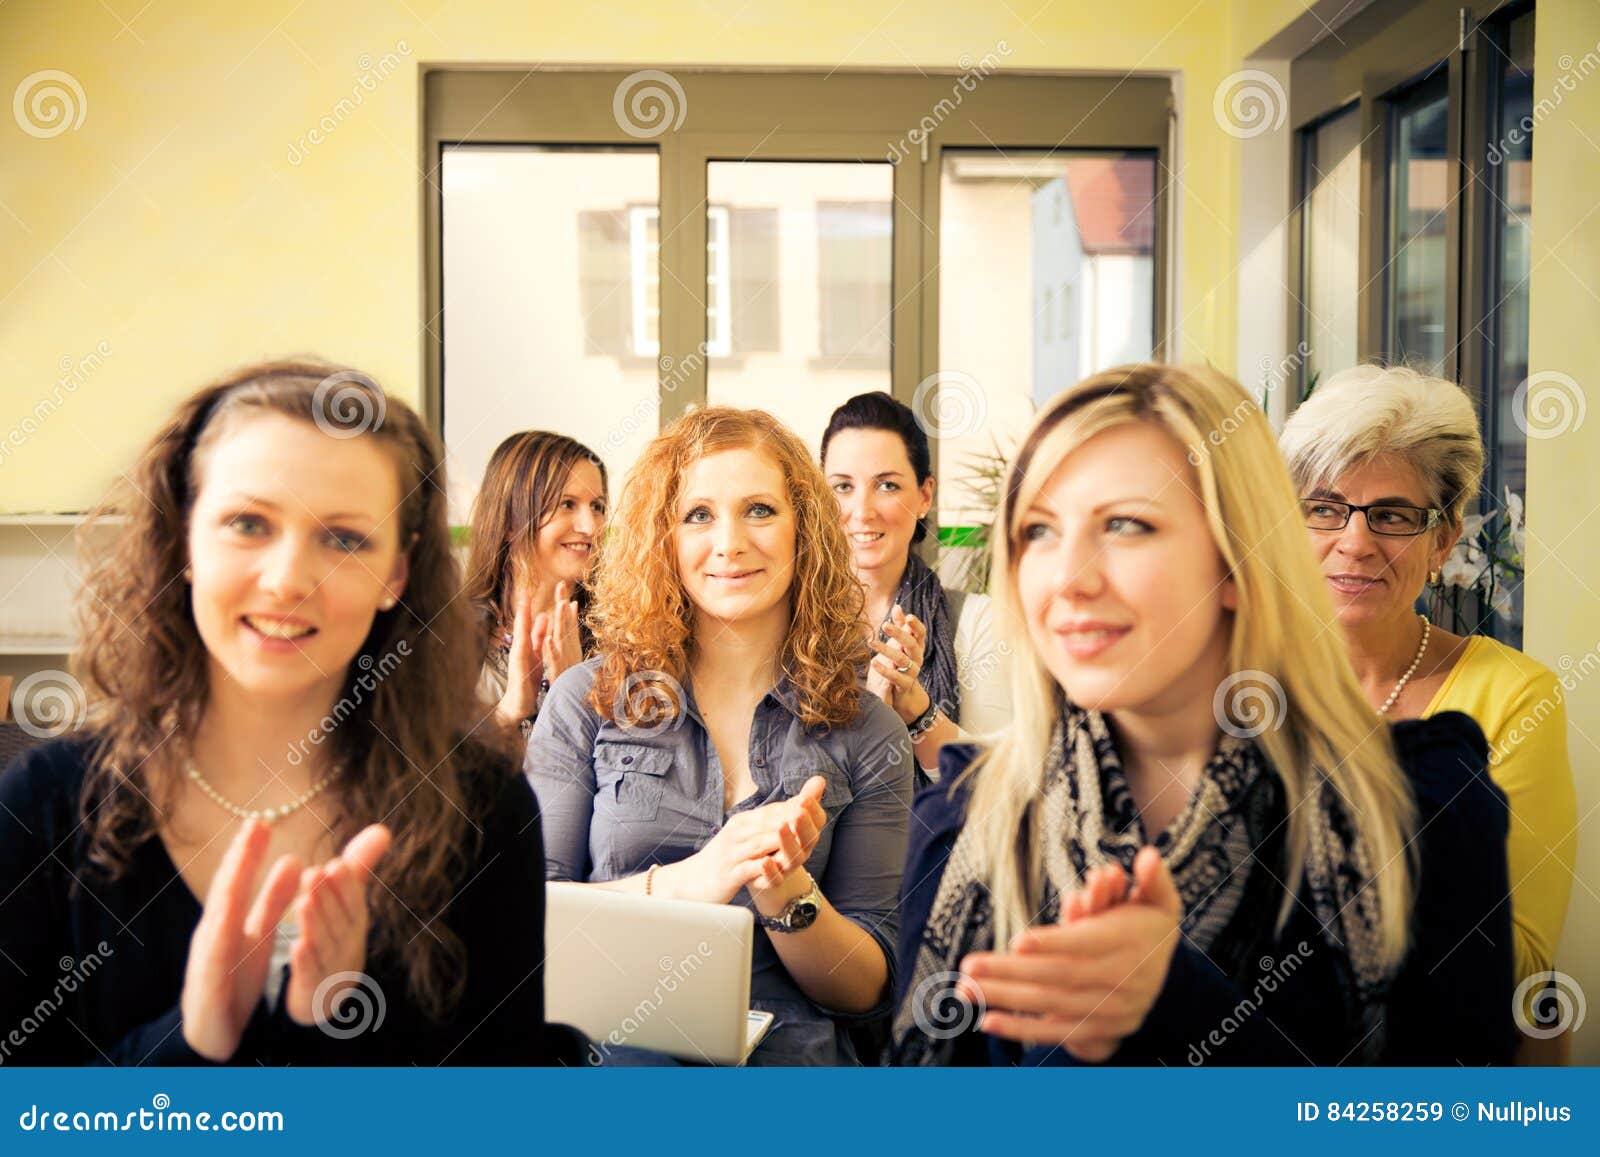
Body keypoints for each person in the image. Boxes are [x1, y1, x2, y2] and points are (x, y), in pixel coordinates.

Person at [891, 363, 1515, 1066]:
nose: (1068, 576)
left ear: (1236, 561)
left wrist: (1180, 1002)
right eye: (1038, 529)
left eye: (1125, 525)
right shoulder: (967, 817)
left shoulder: (1424, 806)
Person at [0, 361, 557, 1065]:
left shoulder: (485, 810)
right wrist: (192, 1038)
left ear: (398, 573)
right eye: (249, 522)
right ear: (183, 540)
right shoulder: (45, 805)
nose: (289, 578)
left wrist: (338, 1038)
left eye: (345, 538)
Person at [526, 406, 912, 1066]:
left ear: (805, 531)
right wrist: (693, 880)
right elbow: (527, 929)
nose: (729, 542)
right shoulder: (584, 702)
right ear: (664, 538)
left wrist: (789, 895)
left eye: (759, 510)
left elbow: (868, 989)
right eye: (699, 514)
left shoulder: (868, 729)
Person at [1279, 364, 1575, 990]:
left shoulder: (1513, 697)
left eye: (1390, 516)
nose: (1354, 542)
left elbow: (1519, 966)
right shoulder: (1234, 685)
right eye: (1325, 509)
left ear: (1442, 542)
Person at [821, 393, 1011, 782]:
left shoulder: (976, 623)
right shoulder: (787, 624)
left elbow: (999, 787)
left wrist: (918, 711)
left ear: (925, 496)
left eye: (887, 486)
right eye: (842, 487)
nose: (862, 511)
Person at [463, 431, 607, 733]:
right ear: (511, 522)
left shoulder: (622, 639)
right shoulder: (446, 638)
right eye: (567, 504)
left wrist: (573, 698)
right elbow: (425, 771)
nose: (590, 526)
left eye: (598, 506)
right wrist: (510, 710)